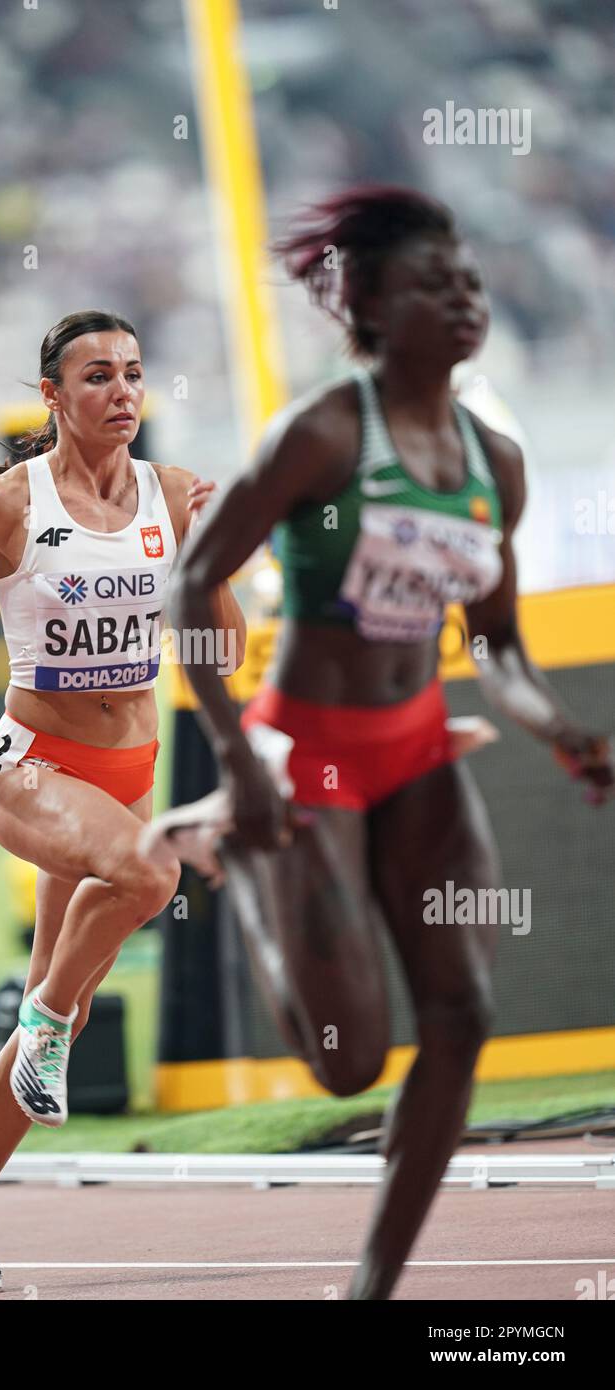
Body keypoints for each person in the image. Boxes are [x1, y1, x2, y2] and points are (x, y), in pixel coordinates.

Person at [150, 187, 614, 1300]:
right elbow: (191, 581)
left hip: (412, 747)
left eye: (467, 282)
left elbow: (495, 642)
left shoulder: (490, 460)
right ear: (365, 303)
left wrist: (562, 733)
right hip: (301, 755)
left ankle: (368, 1288)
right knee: (345, 1058)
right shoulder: (319, 433)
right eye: (429, 284)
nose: (460, 299)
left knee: (461, 1013)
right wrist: (229, 749)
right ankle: (236, 839)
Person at [0, 309, 246, 1293]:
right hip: (29, 771)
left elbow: (221, 645)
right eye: (94, 377)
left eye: (131, 373)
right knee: (150, 873)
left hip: (123, 779)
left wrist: (213, 567)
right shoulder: (7, 503)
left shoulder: (170, 494)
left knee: (66, 1028)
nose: (120, 391)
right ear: (52, 396)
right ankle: (41, 1017)